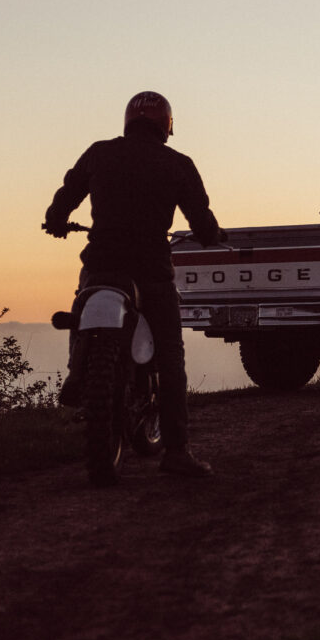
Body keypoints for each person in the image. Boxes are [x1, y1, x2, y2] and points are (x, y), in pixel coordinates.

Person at [43, 91, 224, 478]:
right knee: (171, 358)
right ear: (166, 125)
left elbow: (66, 196)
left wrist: (56, 221)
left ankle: (78, 373)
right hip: (151, 271)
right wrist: (211, 233)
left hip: (103, 264)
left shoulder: (99, 152)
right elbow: (201, 219)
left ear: (128, 120)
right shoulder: (178, 164)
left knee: (81, 307)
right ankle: (177, 452)